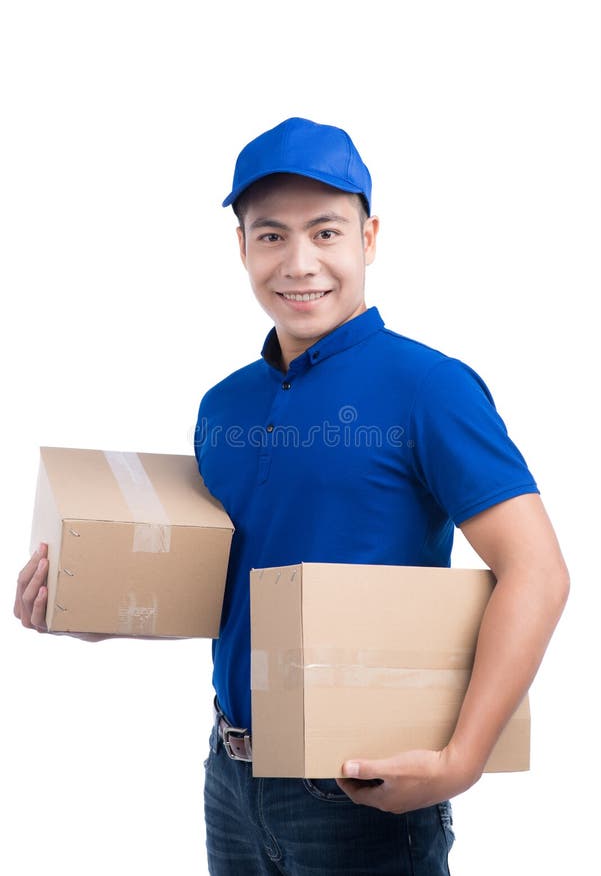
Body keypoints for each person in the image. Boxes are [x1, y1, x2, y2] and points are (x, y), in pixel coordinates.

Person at [15, 117, 570, 876]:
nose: (300, 262)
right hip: (231, 774)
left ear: (368, 239)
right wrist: (91, 613)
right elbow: (224, 591)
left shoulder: (429, 388)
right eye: (271, 235)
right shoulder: (225, 406)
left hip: (362, 782)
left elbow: (537, 571)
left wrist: (461, 759)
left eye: (326, 232)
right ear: (241, 247)